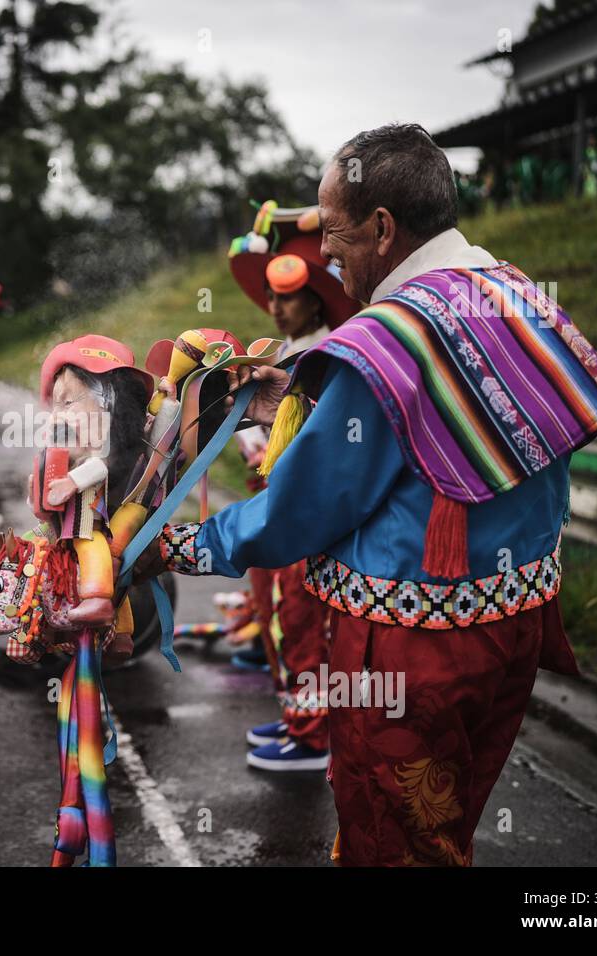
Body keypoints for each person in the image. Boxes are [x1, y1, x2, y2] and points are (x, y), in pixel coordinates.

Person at [138, 124, 597, 865]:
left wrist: (166, 543)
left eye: (333, 233)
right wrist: (301, 400)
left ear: (382, 227)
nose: (326, 255)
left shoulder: (389, 339)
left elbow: (299, 511)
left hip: (411, 653)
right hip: (515, 627)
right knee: (444, 830)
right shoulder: (510, 292)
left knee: (390, 843)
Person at [226, 202, 357, 771]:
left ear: (318, 298)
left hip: (304, 516)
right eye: (271, 297)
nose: (275, 307)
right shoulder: (280, 353)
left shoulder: (328, 356)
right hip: (271, 508)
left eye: (287, 296)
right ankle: (294, 716)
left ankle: (313, 735)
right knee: (276, 616)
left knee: (302, 622)